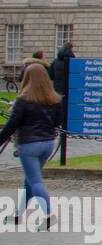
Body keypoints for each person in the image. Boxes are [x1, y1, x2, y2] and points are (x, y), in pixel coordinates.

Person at [0, 63, 62, 229]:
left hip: (29, 145)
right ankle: (18, 215)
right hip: (48, 144)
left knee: (35, 181)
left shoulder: (23, 100)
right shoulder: (54, 99)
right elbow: (57, 122)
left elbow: (11, 125)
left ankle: (49, 214)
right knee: (30, 180)